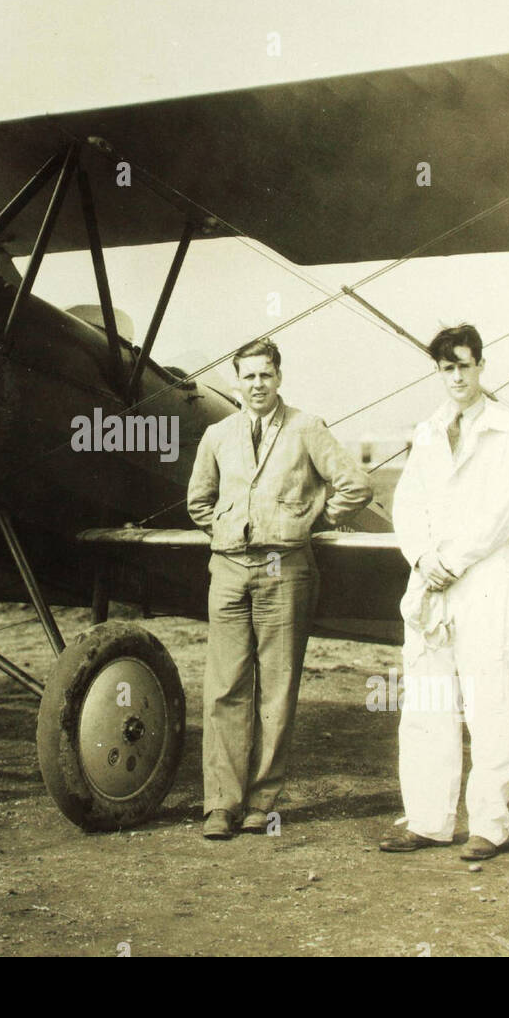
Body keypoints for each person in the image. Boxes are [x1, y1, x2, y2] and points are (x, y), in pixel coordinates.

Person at [188, 339, 372, 840]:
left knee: (277, 687)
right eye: (248, 377)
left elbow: (356, 485)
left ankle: (261, 802)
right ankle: (220, 805)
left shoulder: (307, 427)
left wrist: (309, 522)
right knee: (224, 686)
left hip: (284, 567)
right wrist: (230, 532)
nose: (257, 385)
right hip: (227, 568)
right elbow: (198, 502)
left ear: (279, 377)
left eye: (265, 375)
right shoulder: (218, 434)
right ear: (235, 381)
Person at [382, 324, 509, 861]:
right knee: (427, 700)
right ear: (438, 372)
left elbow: (505, 511)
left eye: (465, 366)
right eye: (447, 369)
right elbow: (407, 504)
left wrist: (452, 560)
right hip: (429, 584)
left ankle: (491, 825)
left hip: (484, 582)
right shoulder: (427, 432)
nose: (457, 377)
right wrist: (423, 558)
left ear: (481, 366)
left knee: (492, 700)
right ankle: (428, 820)